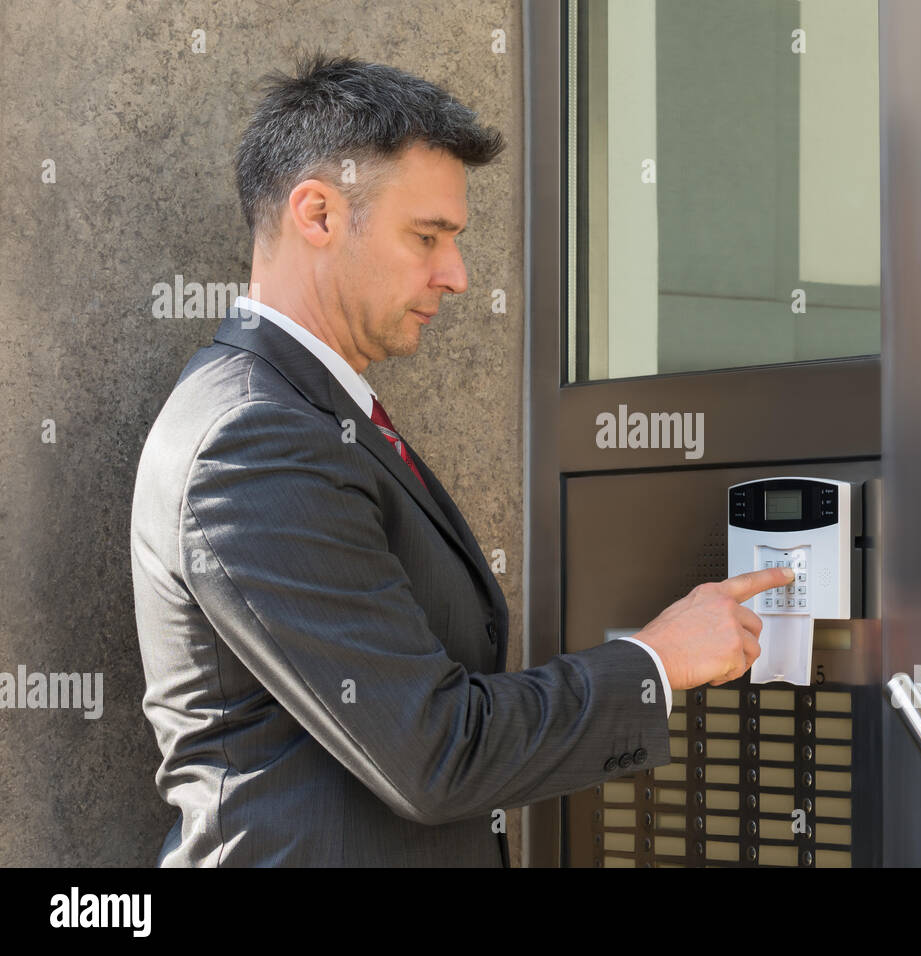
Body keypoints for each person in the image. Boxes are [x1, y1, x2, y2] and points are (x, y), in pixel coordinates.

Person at [129, 53, 790, 867]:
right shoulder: (252, 439)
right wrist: (655, 660)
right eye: (427, 236)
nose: (458, 275)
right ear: (318, 214)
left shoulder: (307, 413)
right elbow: (433, 750)